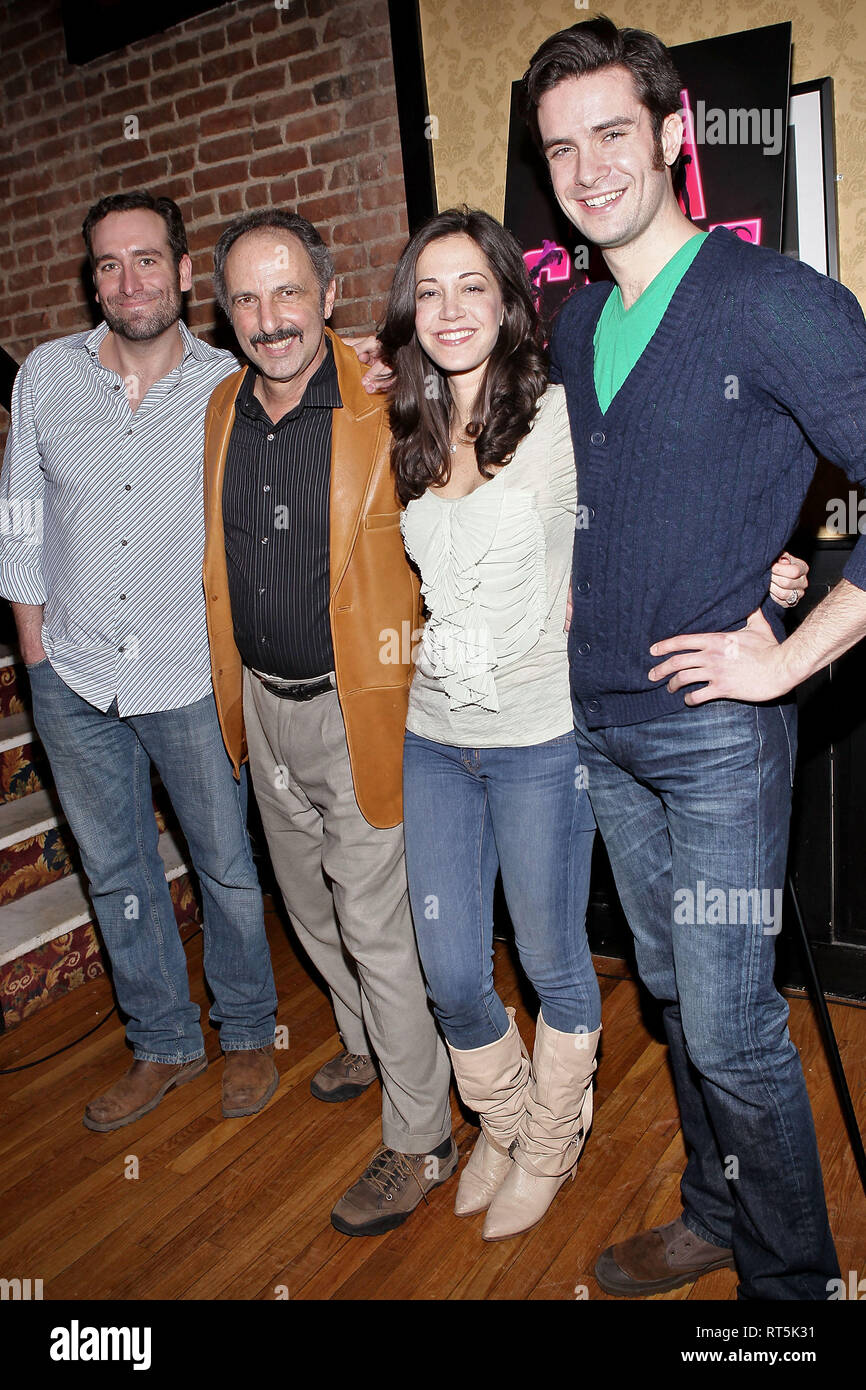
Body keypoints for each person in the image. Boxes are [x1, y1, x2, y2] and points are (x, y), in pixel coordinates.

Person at [373, 206, 808, 1244]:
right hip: (435, 733)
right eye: (426, 290)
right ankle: (508, 1120)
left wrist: (766, 578)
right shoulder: (405, 423)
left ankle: (550, 1142)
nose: (448, 309)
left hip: (539, 738)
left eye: (472, 285)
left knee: (551, 960)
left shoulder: (563, 417)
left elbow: (692, 488)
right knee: (447, 967)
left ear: (511, 301)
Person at [518, 16, 866, 1298]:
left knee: (728, 1027)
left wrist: (790, 656)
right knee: (669, 992)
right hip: (600, 727)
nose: (587, 166)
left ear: (672, 135)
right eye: (560, 147)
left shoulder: (769, 301)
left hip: (714, 732)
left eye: (612, 132)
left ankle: (791, 1295)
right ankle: (717, 1213)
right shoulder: (571, 325)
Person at [0, 192, 279, 1129]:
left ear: (187, 272)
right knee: (115, 871)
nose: (129, 282)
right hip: (73, 671)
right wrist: (34, 647)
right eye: (109, 266)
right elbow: (22, 518)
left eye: (148, 261)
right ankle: (162, 1043)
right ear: (93, 279)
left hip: (190, 673)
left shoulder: (227, 386)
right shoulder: (44, 375)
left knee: (226, 866)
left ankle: (246, 1033)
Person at [202, 209, 455, 1237]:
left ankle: (421, 1138)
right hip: (263, 704)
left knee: (375, 928)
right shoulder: (219, 407)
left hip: (361, 710)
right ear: (223, 314)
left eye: (288, 293)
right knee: (305, 907)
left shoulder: (388, 403)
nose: (269, 319)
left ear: (328, 297)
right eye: (247, 300)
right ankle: (360, 1040)